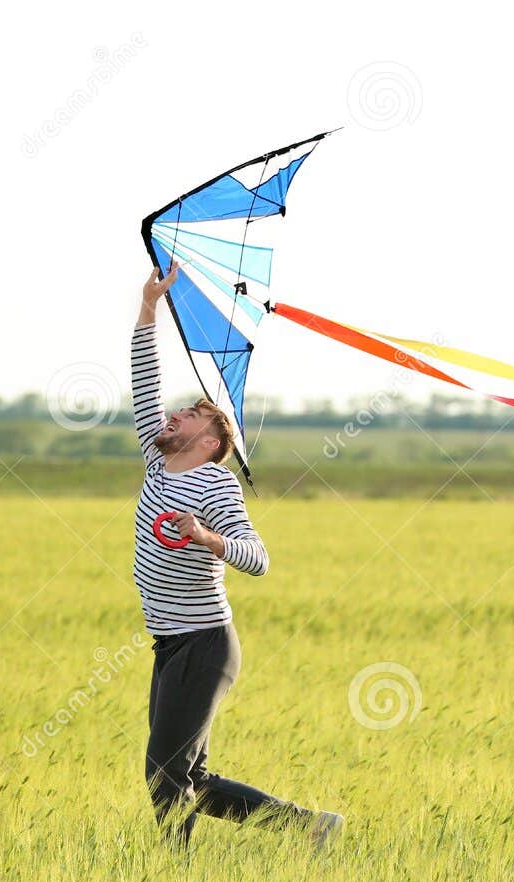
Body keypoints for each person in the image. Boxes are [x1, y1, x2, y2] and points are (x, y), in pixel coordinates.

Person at [133, 265, 344, 850]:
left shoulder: (215, 485)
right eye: (174, 412)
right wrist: (149, 308)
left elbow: (258, 559)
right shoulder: (156, 460)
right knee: (188, 777)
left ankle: (171, 876)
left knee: (164, 774)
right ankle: (310, 827)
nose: (171, 415)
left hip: (205, 644)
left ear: (210, 441)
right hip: (169, 643)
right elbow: (143, 380)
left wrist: (206, 539)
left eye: (188, 416)